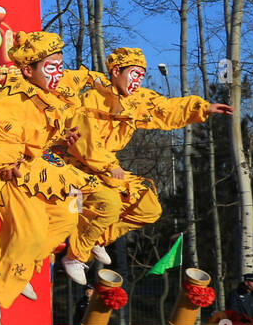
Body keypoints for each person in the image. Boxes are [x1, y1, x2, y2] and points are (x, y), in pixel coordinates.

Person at [60, 46, 231, 282]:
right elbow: (85, 141)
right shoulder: (91, 99)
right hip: (77, 167)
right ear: (117, 71)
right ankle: (75, 256)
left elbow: (166, 109)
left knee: (148, 207)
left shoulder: (137, 100)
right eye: (134, 74)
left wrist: (202, 108)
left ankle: (97, 238)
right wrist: (110, 166)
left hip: (107, 169)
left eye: (141, 75)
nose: (137, 81)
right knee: (109, 202)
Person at [0, 31, 94, 325]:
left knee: (66, 217)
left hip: (41, 171)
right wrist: (6, 160)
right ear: (28, 70)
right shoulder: (11, 97)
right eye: (51, 66)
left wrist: (62, 138)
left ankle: (17, 271)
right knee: (29, 234)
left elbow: (39, 135)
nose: (59, 72)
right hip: (11, 174)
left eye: (60, 65)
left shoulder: (51, 94)